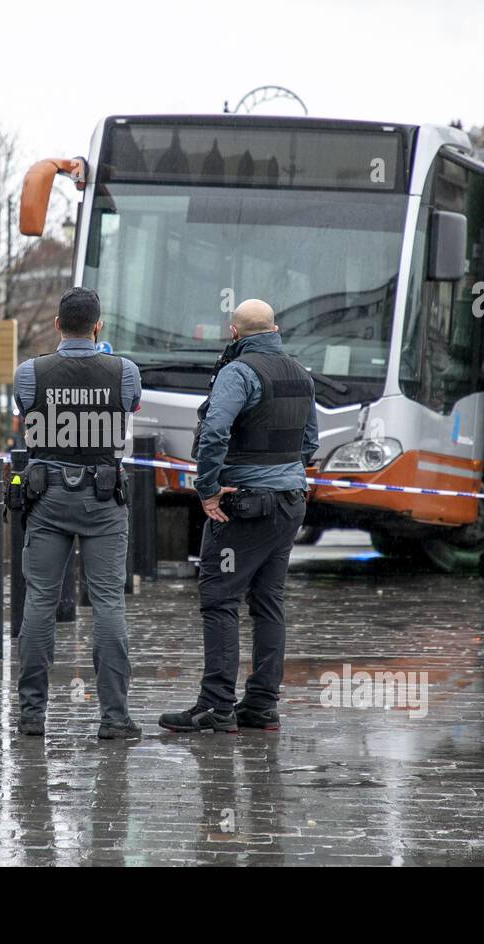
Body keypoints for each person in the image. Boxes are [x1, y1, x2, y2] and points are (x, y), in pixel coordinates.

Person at [159, 298, 319, 733]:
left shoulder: (238, 372)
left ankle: (216, 704)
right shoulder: (300, 374)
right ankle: (263, 705)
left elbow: (214, 431)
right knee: (269, 601)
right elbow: (309, 443)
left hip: (245, 505)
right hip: (290, 501)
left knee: (220, 598)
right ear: (276, 328)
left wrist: (208, 489)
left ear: (234, 334)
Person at [12, 287, 142, 740]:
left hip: (47, 498)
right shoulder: (124, 371)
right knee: (108, 603)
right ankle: (114, 717)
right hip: (103, 500)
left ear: (56, 324)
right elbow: (129, 409)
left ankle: (31, 715)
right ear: (98, 326)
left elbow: (26, 413)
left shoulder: (30, 373)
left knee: (40, 602)